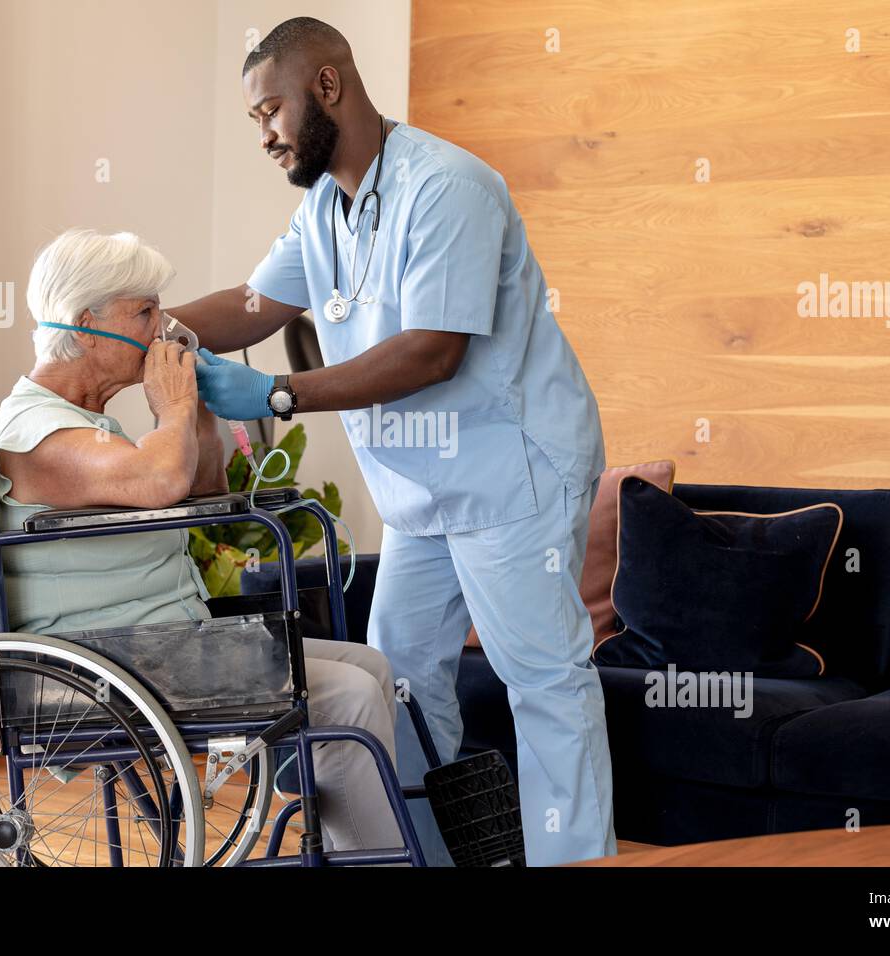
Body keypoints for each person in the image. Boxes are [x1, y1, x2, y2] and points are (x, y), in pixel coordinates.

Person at [166, 18, 615, 865]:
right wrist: (136, 332)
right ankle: (418, 858)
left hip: (508, 474)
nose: (264, 136)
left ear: (327, 87)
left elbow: (431, 352)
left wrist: (278, 390)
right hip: (421, 497)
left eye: (270, 112)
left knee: (545, 685)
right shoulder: (325, 208)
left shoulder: (449, 188)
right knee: (400, 684)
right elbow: (256, 306)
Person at [0, 228, 402, 853]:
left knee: (370, 665)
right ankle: (378, 861)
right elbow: (159, 480)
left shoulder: (82, 423)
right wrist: (171, 410)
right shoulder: (35, 433)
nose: (163, 327)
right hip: (105, 666)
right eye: (145, 312)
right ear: (86, 323)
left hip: (152, 644)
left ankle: (351, 848)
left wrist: (195, 404)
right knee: (352, 694)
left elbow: (199, 483)